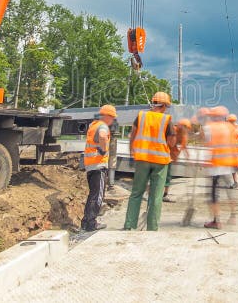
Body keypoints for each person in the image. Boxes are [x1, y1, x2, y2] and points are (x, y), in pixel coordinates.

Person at [123, 92, 176, 231]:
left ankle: (129, 225)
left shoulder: (141, 116)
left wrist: (131, 152)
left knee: (136, 193)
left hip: (142, 159)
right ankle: (152, 228)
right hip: (160, 161)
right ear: (164, 105)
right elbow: (171, 142)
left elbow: (132, 134)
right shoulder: (167, 120)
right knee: (156, 197)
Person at [204, 106, 238, 229]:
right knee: (230, 191)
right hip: (227, 165)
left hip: (215, 166)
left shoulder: (209, 127)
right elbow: (233, 146)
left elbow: (207, 144)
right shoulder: (229, 128)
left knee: (214, 194)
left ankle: (216, 221)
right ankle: (233, 217)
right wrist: (237, 160)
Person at [81, 104, 117, 231]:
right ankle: (91, 223)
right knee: (98, 196)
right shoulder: (102, 126)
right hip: (98, 165)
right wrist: (104, 149)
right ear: (107, 116)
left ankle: (86, 222)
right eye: (112, 117)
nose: (113, 120)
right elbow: (102, 136)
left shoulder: (93, 125)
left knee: (93, 195)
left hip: (90, 165)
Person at [163, 118, 191, 202]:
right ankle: (154, 192)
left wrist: (187, 157)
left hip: (169, 157)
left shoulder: (184, 136)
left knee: (168, 176)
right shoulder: (173, 131)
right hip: (163, 154)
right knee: (161, 175)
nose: (186, 131)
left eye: (187, 129)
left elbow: (183, 147)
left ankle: (165, 194)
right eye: (185, 128)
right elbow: (170, 143)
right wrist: (175, 154)